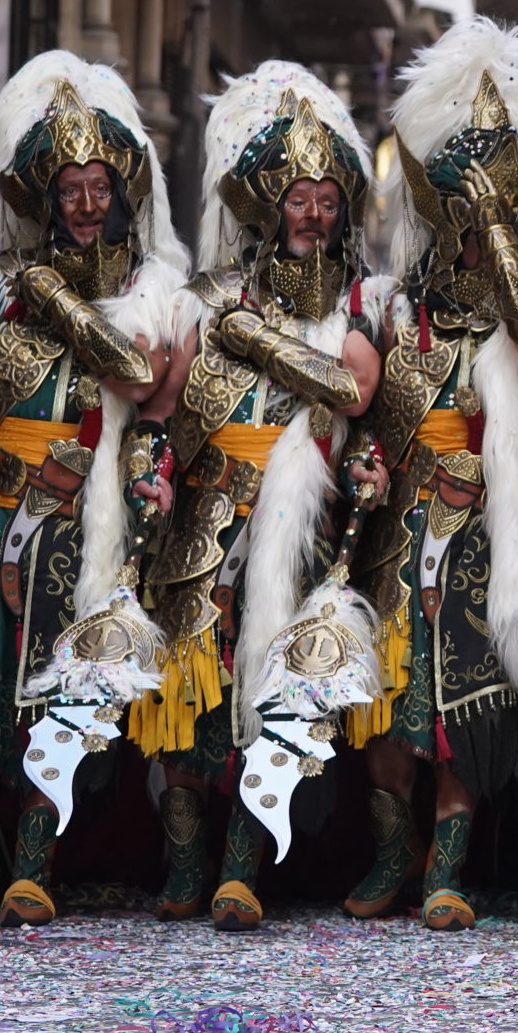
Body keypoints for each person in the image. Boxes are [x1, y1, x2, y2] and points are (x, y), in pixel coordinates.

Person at [0, 51, 186, 923]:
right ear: (46, 199)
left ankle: (34, 867)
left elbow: (139, 385)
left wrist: (61, 302)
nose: (86, 203)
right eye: (69, 188)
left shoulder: (150, 299)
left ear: (121, 195)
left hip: (76, 524)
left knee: (55, 703)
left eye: (100, 186)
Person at [140, 64, 388, 930]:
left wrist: (263, 341)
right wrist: (150, 472)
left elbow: (357, 397)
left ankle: (242, 870)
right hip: (201, 523)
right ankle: (182, 865)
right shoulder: (206, 302)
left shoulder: (357, 312)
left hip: (297, 529)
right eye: (298, 198)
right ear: (269, 206)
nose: (313, 214)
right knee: (186, 700)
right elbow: (162, 414)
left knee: (272, 700)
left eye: (327, 199)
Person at [347, 19, 518, 932]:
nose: (473, 237)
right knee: (393, 715)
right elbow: (366, 424)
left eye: (492, 222)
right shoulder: (394, 309)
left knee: (468, 715)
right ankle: (395, 852)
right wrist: (366, 469)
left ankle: (449, 865)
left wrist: (502, 231)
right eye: (462, 221)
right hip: (399, 531)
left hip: (488, 539)